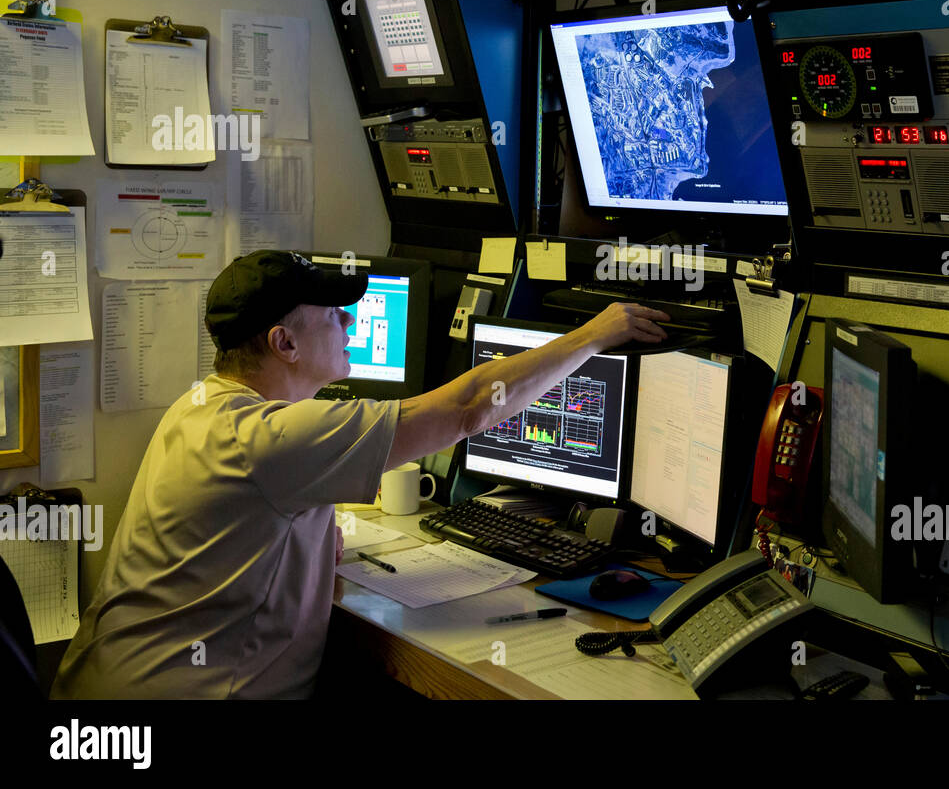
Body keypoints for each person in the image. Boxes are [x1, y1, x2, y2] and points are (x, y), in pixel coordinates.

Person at [51, 250, 668, 699]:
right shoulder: (272, 437)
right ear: (284, 343)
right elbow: (469, 407)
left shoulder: (198, 406)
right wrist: (593, 335)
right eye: (332, 316)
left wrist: (310, 547)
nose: (350, 326)